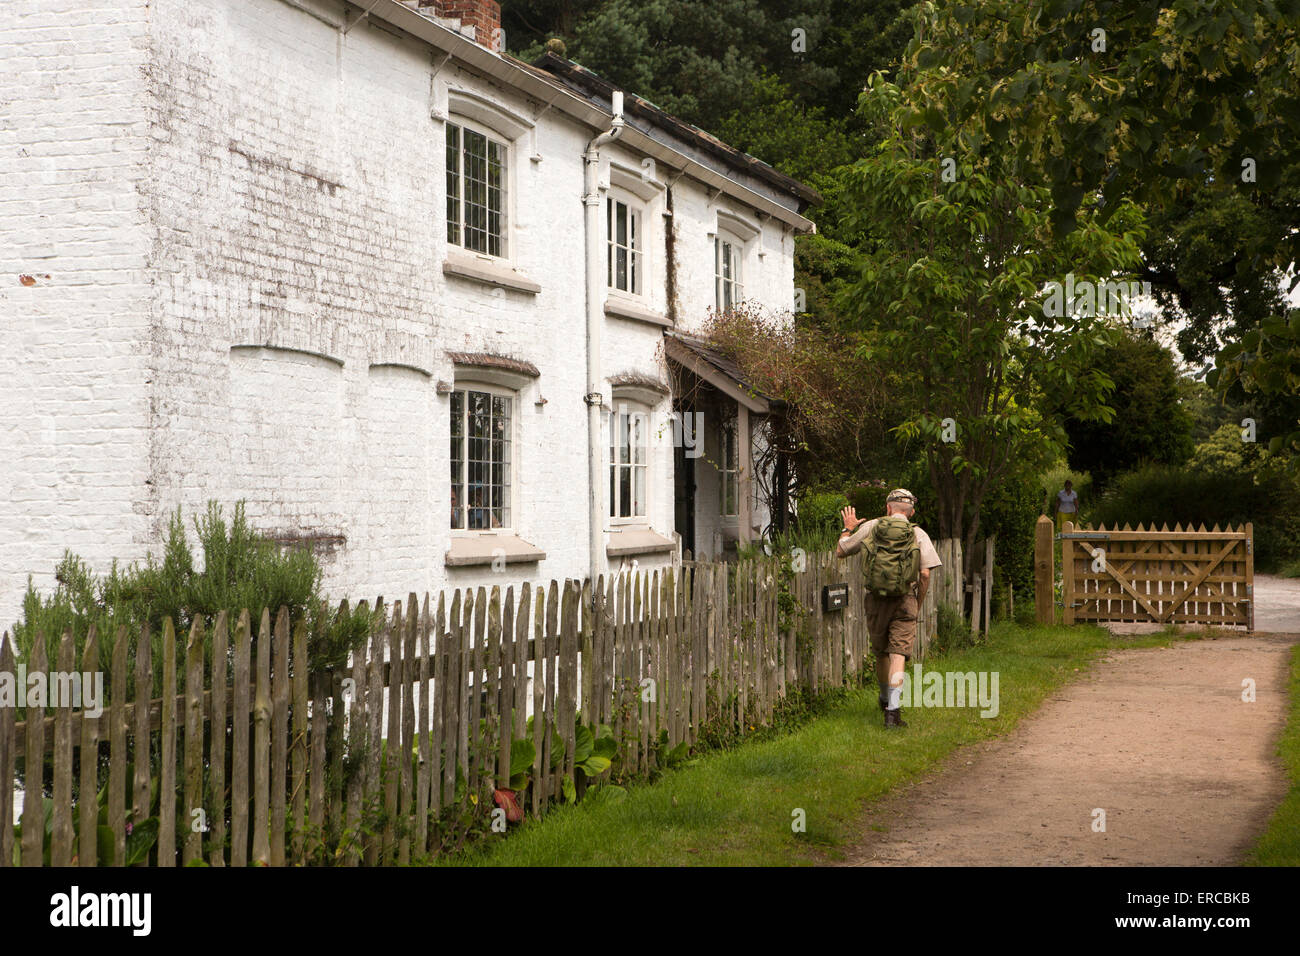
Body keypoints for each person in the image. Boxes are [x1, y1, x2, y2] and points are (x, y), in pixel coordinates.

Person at [836, 489, 942, 728]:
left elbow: (840, 551)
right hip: (905, 599)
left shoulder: (873, 526)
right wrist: (918, 602)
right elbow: (925, 573)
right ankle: (892, 713)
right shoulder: (918, 533)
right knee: (898, 654)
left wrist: (848, 529)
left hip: (876, 600)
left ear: (888, 508)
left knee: (882, 652)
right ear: (911, 511)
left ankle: (883, 699)